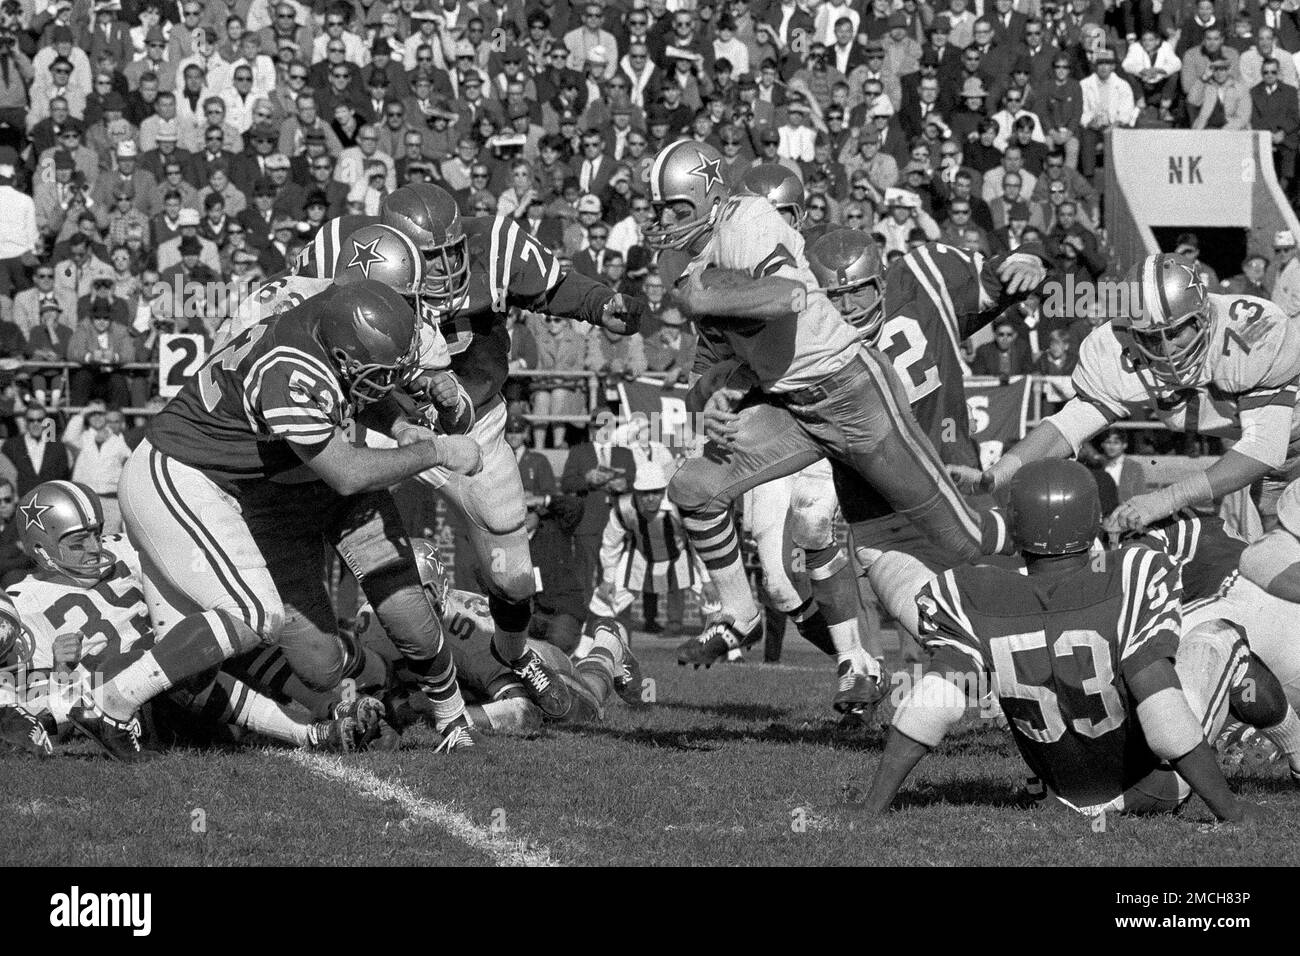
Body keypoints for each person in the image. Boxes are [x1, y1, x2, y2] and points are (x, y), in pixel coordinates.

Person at [651, 140, 1031, 665]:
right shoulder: (700, 253)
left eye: (677, 206)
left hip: (853, 395)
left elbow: (788, 295)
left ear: (713, 194)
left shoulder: (747, 225)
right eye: (662, 208)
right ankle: (741, 616)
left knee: (966, 538)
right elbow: (708, 372)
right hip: (796, 408)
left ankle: (1066, 535)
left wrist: (702, 298)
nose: (667, 219)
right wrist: (710, 400)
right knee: (692, 489)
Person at [290, 183, 646, 719]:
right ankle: (317, 648)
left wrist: (602, 304)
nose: (445, 266)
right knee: (331, 519)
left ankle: (513, 653)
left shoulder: (493, 245)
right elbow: (294, 311)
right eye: (429, 257)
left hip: (471, 425)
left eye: (450, 251)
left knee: (513, 579)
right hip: (380, 419)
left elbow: (554, 287)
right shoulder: (341, 246)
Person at [117, 281, 486, 757]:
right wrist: (435, 448)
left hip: (321, 479)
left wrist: (398, 424)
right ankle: (376, 678)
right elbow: (347, 473)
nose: (391, 383)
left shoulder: (334, 316)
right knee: (318, 663)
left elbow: (360, 383)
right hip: (277, 497)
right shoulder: (289, 370)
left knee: (405, 610)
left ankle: (451, 714)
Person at [860, 459, 1294, 822]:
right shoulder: (1132, 572)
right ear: (1092, 520)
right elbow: (1161, 709)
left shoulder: (973, 593)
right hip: (1150, 786)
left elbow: (930, 706)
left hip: (1053, 794)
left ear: (1014, 525)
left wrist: (871, 807)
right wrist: (1232, 812)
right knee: (1223, 636)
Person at [0, 481, 383, 757]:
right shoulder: (24, 602)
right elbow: (37, 705)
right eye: (78, 541)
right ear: (42, 549)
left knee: (232, 624)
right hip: (141, 712)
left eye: (96, 534)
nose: (94, 548)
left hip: (191, 681)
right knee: (178, 658)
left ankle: (333, 707)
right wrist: (64, 668)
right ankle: (312, 734)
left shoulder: (122, 551)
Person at [963, 252, 1300, 533]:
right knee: (1269, 544)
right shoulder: (1116, 343)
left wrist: (1165, 499)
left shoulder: (1253, 330)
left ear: (1202, 318)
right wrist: (1000, 473)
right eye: (1151, 337)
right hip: (1261, 460)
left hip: (1279, 442)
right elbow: (1068, 425)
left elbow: (1264, 447)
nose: (1165, 348)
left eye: (1175, 332)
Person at [62, 401, 132, 533]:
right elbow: (68, 437)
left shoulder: (118, 440)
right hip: (85, 500)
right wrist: (83, 412)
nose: (97, 417)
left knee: (109, 542)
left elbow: (129, 460)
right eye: (92, 414)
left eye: (100, 413)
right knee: (85, 539)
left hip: (110, 500)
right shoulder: (83, 438)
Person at [2, 405, 70, 495]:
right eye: (31, 420)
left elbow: (63, 478)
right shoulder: (11, 446)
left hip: (50, 501)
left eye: (40, 420)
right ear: (25, 421)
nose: (35, 424)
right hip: (21, 503)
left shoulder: (58, 447)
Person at [970, 317, 1034, 378]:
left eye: (1009, 335)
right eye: (1001, 334)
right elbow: (979, 377)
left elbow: (1027, 375)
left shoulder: (1023, 350)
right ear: (995, 335)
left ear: (1014, 335)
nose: (1005, 338)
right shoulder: (983, 351)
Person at [1096, 428, 1146, 503]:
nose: (1111, 447)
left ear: (1124, 445)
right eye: (1108, 442)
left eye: (1116, 443)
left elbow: (1140, 494)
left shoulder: (1134, 467)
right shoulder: (1098, 466)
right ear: (1102, 445)